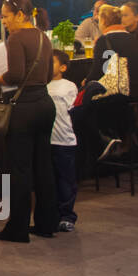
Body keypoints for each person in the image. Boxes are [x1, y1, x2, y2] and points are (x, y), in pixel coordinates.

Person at [0, 0, 56, 242]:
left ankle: (17, 228)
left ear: (20, 15)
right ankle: (46, 223)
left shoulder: (16, 38)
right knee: (43, 166)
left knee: (20, 169)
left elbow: (15, 74)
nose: (4, 21)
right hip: (45, 105)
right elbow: (48, 75)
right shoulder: (43, 37)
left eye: (6, 16)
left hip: (24, 108)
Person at [82, 3, 138, 160]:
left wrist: (85, 82)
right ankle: (126, 135)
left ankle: (105, 141)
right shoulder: (133, 38)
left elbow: (98, 71)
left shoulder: (105, 41)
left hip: (119, 93)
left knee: (85, 104)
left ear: (104, 20)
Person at [48, 50, 79, 232]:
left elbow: (73, 111)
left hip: (64, 141)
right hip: (47, 141)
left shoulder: (68, 86)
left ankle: (67, 215)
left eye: (51, 62)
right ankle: (52, 214)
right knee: (50, 180)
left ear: (63, 67)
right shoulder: (41, 85)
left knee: (66, 181)